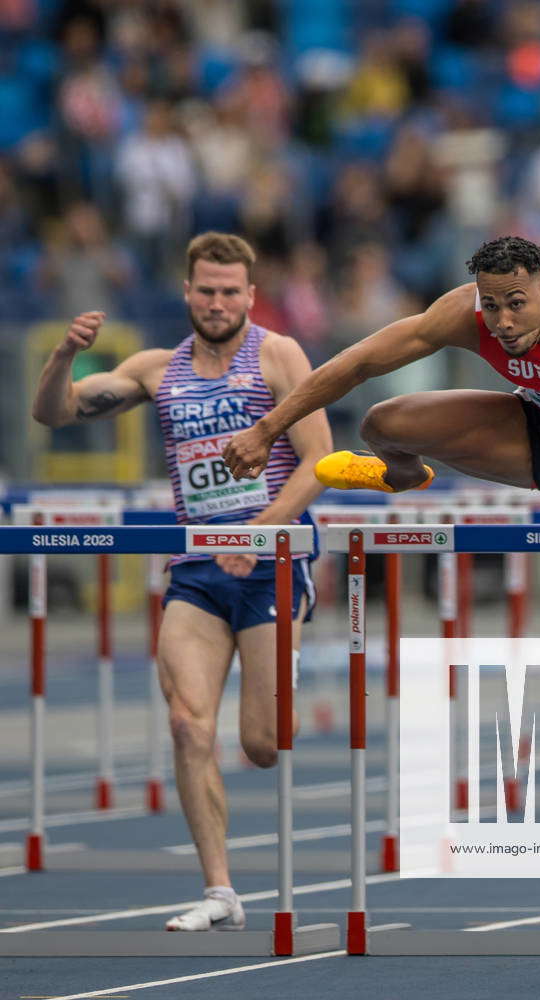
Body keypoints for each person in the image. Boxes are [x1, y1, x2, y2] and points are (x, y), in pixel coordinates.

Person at [222, 235, 540, 783]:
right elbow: (359, 362)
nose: (502, 322)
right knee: (382, 424)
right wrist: (267, 429)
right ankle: (402, 474)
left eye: (516, 304)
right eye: (492, 305)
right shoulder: (466, 312)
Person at [32, 232, 332, 930]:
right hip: (196, 568)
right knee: (186, 724)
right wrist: (64, 355)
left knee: (262, 743)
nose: (218, 302)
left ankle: (274, 693)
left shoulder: (279, 355)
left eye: (231, 291)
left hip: (270, 561)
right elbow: (55, 412)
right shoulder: (157, 369)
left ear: (251, 297)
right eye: (207, 290)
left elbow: (320, 458)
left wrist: (257, 532)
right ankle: (220, 892)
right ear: (188, 293)